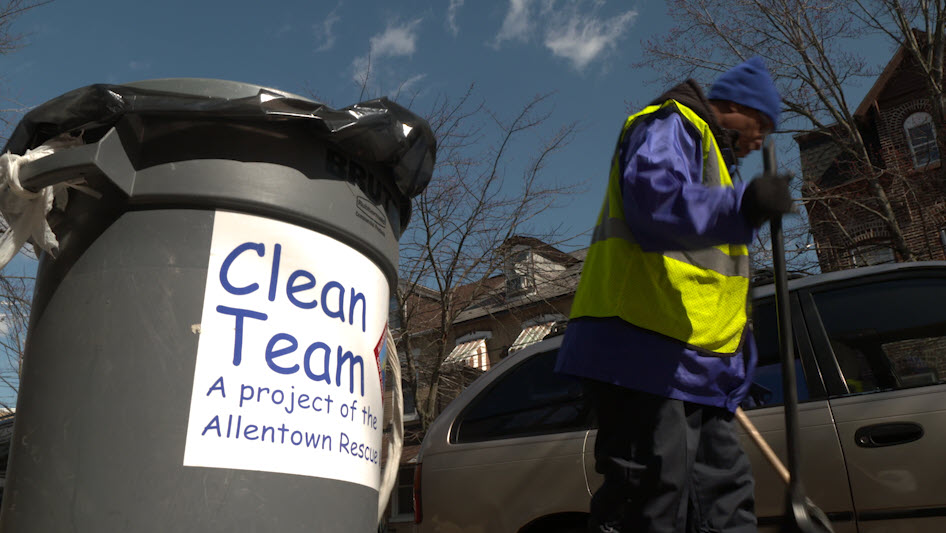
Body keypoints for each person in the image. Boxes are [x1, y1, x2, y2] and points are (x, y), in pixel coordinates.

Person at [555, 57, 793, 533]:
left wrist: (735, 374)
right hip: (641, 352)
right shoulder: (672, 122)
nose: (759, 142)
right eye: (760, 126)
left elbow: (716, 291)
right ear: (736, 107)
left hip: (700, 373)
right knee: (652, 504)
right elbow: (654, 200)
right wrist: (743, 206)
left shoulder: (721, 172)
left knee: (724, 508)